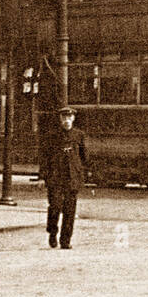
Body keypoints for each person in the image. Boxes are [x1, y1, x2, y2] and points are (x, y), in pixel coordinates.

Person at [44, 106, 88, 249]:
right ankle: (52, 232)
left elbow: (84, 157)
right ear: (60, 119)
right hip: (56, 178)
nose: (66, 121)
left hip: (72, 178)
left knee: (70, 211)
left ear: (73, 119)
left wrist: (82, 174)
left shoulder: (79, 135)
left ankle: (65, 240)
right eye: (64, 118)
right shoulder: (52, 136)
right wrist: (44, 176)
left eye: (69, 118)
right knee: (55, 207)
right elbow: (45, 157)